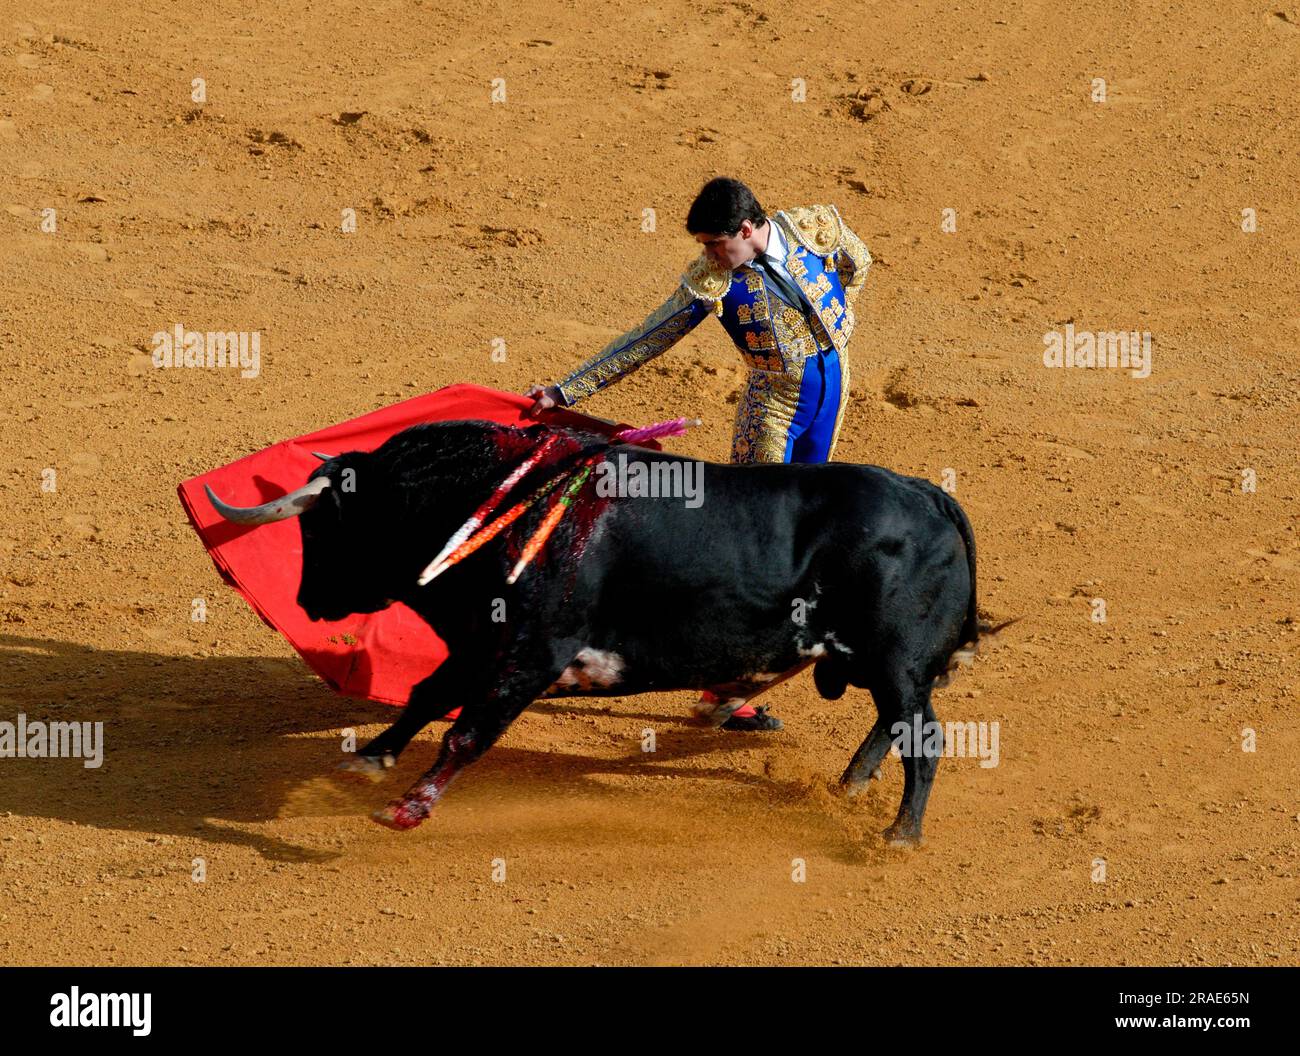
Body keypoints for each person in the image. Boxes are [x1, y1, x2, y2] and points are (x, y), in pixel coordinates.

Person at [525, 176, 872, 729]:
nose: (710, 256)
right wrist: (568, 391)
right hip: (775, 405)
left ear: (748, 229)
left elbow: (858, 256)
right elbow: (648, 338)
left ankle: (794, 646)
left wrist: (841, 313)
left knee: (810, 526)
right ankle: (721, 689)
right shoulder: (711, 280)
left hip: (835, 384)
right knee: (756, 544)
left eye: (716, 244)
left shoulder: (811, 224)